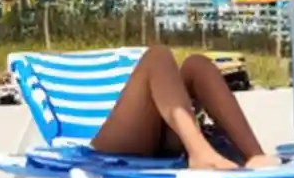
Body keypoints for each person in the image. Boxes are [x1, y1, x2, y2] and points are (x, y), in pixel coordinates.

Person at [88, 45, 278, 170]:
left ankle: (254, 154)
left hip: (167, 137)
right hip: (118, 141)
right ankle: (200, 153)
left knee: (197, 64)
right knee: (158, 56)